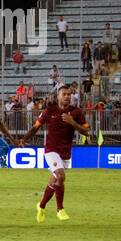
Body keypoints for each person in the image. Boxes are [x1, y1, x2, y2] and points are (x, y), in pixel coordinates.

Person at [18, 85, 89, 223]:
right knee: (61, 176)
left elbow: (86, 131)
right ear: (58, 96)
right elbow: (35, 127)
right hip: (51, 150)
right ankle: (60, 209)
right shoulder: (49, 110)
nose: (67, 97)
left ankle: (41, 206)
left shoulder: (76, 112)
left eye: (69, 94)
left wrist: (72, 122)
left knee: (55, 180)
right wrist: (24, 139)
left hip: (65, 152)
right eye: (64, 94)